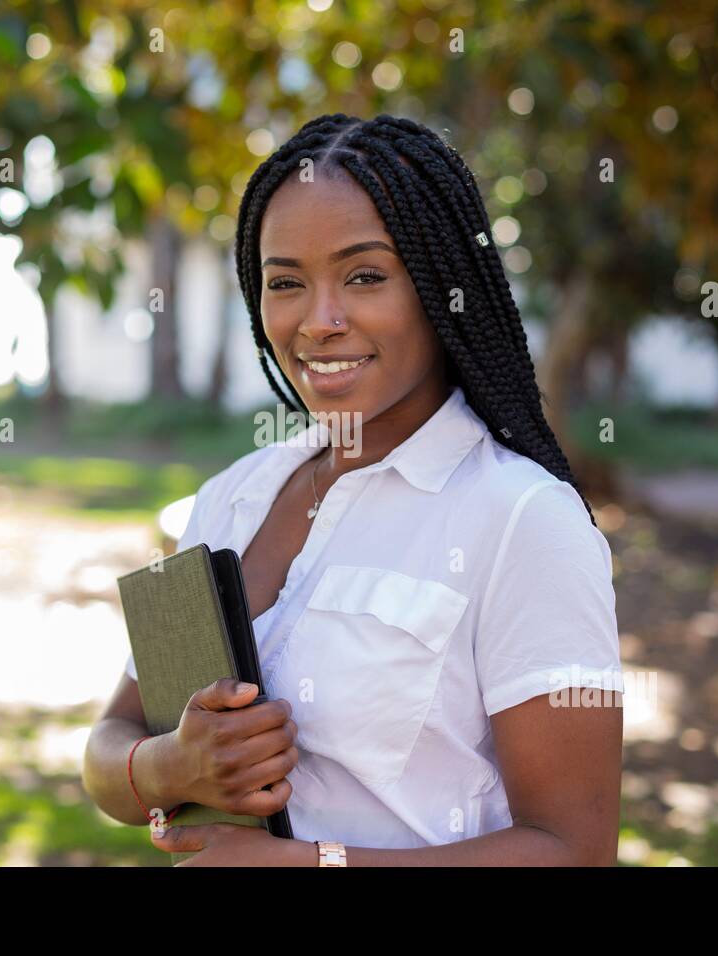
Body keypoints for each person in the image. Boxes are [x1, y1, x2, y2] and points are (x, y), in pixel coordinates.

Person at [82, 113, 624, 866]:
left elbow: (573, 849)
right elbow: (109, 746)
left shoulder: (523, 521)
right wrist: (172, 765)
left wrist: (315, 865)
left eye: (365, 276)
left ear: (441, 286)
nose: (319, 322)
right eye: (286, 284)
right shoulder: (228, 502)